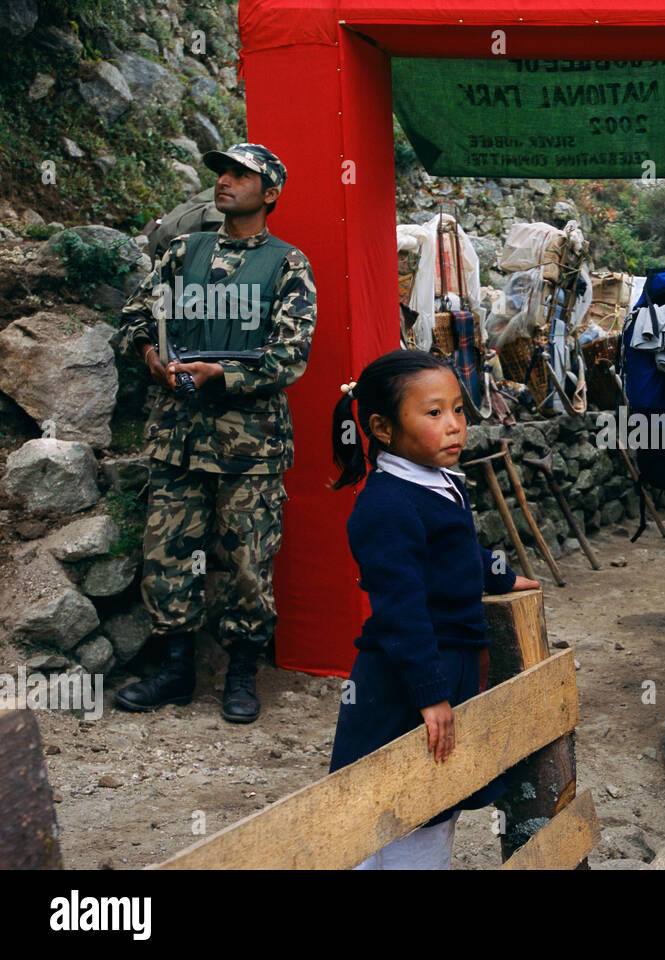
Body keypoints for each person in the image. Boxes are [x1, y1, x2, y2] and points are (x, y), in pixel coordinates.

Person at [113, 143, 316, 723]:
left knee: (249, 563)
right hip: (176, 435)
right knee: (167, 556)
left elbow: (291, 356)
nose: (224, 181)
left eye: (239, 175)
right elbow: (134, 318)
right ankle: (175, 672)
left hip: (250, 447)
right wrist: (151, 353)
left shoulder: (286, 264)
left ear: (269, 192)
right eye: (221, 173)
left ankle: (241, 674)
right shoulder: (181, 252)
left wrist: (223, 373)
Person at [327, 351, 540, 869]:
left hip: (448, 667)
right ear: (380, 427)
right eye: (433, 413)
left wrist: (500, 576)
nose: (454, 427)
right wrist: (430, 695)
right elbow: (400, 608)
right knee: (379, 798)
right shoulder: (385, 506)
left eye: (459, 410)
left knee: (434, 797)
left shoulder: (440, 482)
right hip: (404, 678)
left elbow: (457, 551)